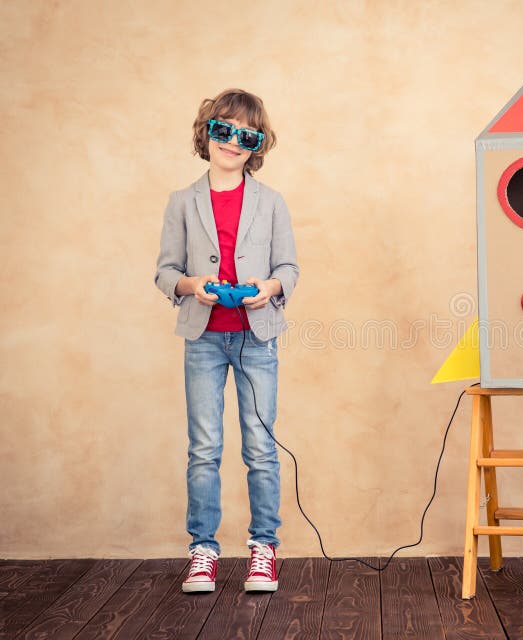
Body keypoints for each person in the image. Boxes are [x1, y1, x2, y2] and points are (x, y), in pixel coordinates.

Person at [154, 88, 299, 594]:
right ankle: (203, 551)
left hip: (257, 340)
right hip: (204, 340)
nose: (233, 141)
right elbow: (165, 272)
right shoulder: (182, 202)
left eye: (247, 136)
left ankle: (264, 548)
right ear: (206, 133)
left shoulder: (271, 202)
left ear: (257, 145)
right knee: (204, 448)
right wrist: (190, 285)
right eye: (224, 129)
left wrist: (270, 289)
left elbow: (289, 268)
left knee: (260, 446)